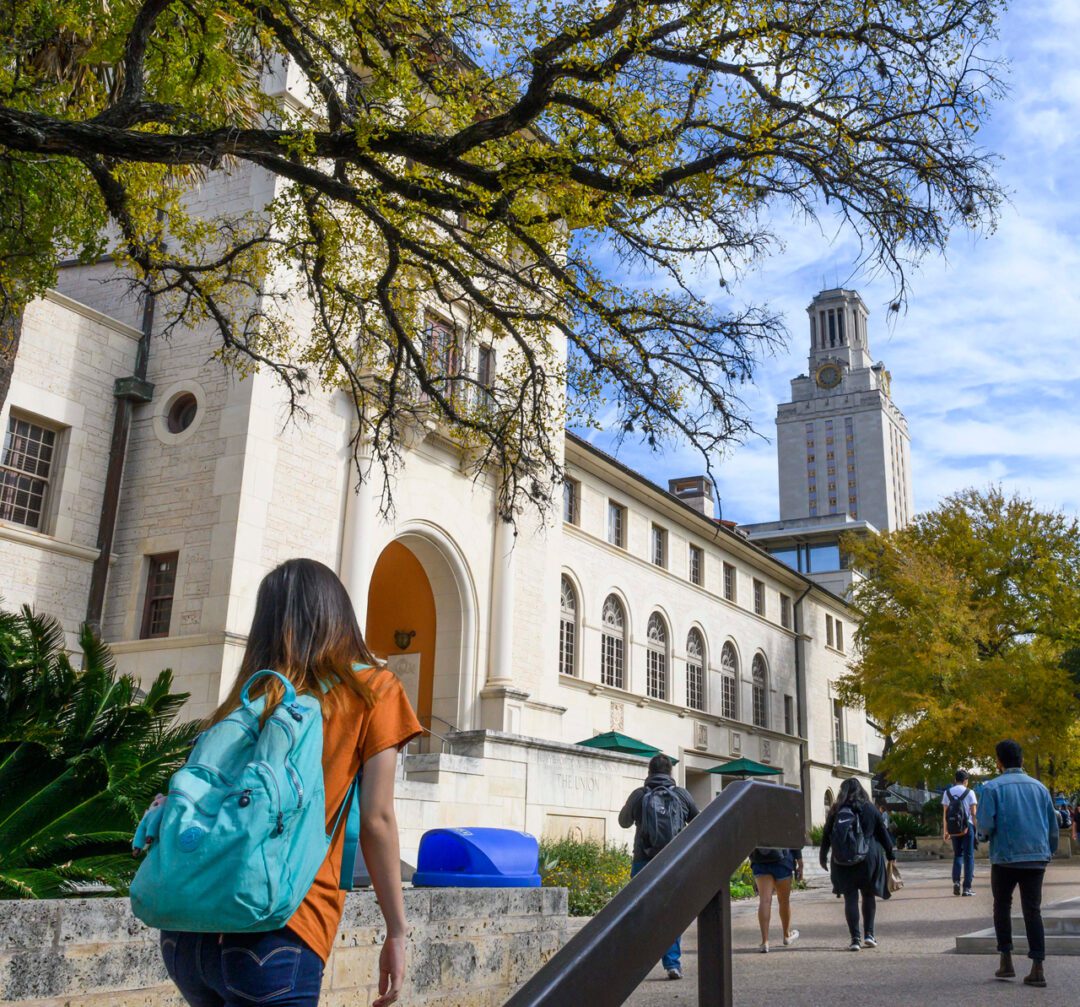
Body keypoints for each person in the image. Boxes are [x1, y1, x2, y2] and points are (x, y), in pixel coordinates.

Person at [158, 559, 422, 1007]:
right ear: (337, 613)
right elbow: (377, 819)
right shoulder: (372, 689)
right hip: (282, 927)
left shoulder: (250, 695)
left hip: (188, 933)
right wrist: (396, 931)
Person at [978, 739, 1059, 989]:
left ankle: (1006, 960)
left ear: (998, 762)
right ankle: (1037, 967)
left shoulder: (992, 788)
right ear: (1022, 760)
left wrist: (984, 837)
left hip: (1005, 857)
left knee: (1002, 905)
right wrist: (1048, 851)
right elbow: (1052, 828)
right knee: (1032, 910)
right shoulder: (1040, 788)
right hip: (1036, 856)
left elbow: (985, 826)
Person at [619, 753, 699, 980]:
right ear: (670, 772)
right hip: (672, 862)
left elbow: (623, 821)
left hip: (643, 860)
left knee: (640, 912)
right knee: (670, 913)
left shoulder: (639, 794)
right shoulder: (681, 795)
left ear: (649, 771)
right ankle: (672, 963)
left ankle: (635, 963)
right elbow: (700, 822)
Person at [819, 777, 896, 951]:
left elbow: (826, 836)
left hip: (842, 861)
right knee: (868, 896)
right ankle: (869, 934)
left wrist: (823, 857)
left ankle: (855, 939)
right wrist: (891, 855)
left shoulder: (836, 809)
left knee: (850, 899)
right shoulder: (870, 808)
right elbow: (883, 834)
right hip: (867, 859)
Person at [749, 841, 804, 952]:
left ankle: (765, 942)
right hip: (782, 859)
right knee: (784, 901)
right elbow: (791, 834)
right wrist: (799, 860)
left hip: (760, 860)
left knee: (765, 900)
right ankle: (786, 936)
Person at [942, 769, 978, 896]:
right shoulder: (970, 792)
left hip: (953, 828)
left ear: (955, 780)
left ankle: (956, 882)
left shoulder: (947, 793)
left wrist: (945, 831)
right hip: (967, 827)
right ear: (966, 781)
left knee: (958, 855)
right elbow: (973, 813)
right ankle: (967, 888)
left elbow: (945, 814)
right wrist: (976, 829)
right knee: (969, 857)